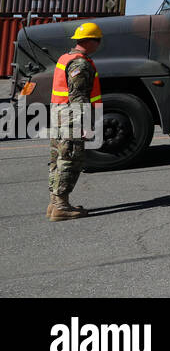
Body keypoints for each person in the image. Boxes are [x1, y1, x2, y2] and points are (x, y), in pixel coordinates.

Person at [47, 22, 104, 221]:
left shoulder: (65, 57)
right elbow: (78, 96)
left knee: (58, 159)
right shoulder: (81, 64)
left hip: (59, 114)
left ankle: (55, 203)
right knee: (70, 159)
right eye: (98, 40)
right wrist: (85, 124)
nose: (99, 44)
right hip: (71, 117)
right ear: (89, 41)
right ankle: (61, 207)